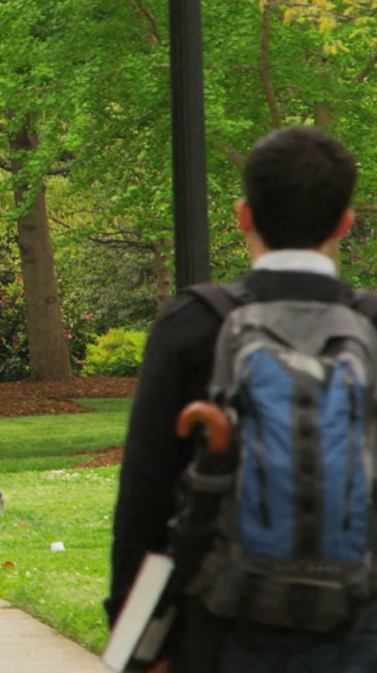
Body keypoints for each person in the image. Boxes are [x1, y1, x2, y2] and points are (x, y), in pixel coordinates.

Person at [108, 126, 377, 671]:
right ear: (345, 223)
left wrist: (134, 634)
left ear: (243, 215)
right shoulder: (371, 326)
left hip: (221, 626)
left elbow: (146, 491)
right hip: (357, 625)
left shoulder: (195, 322)